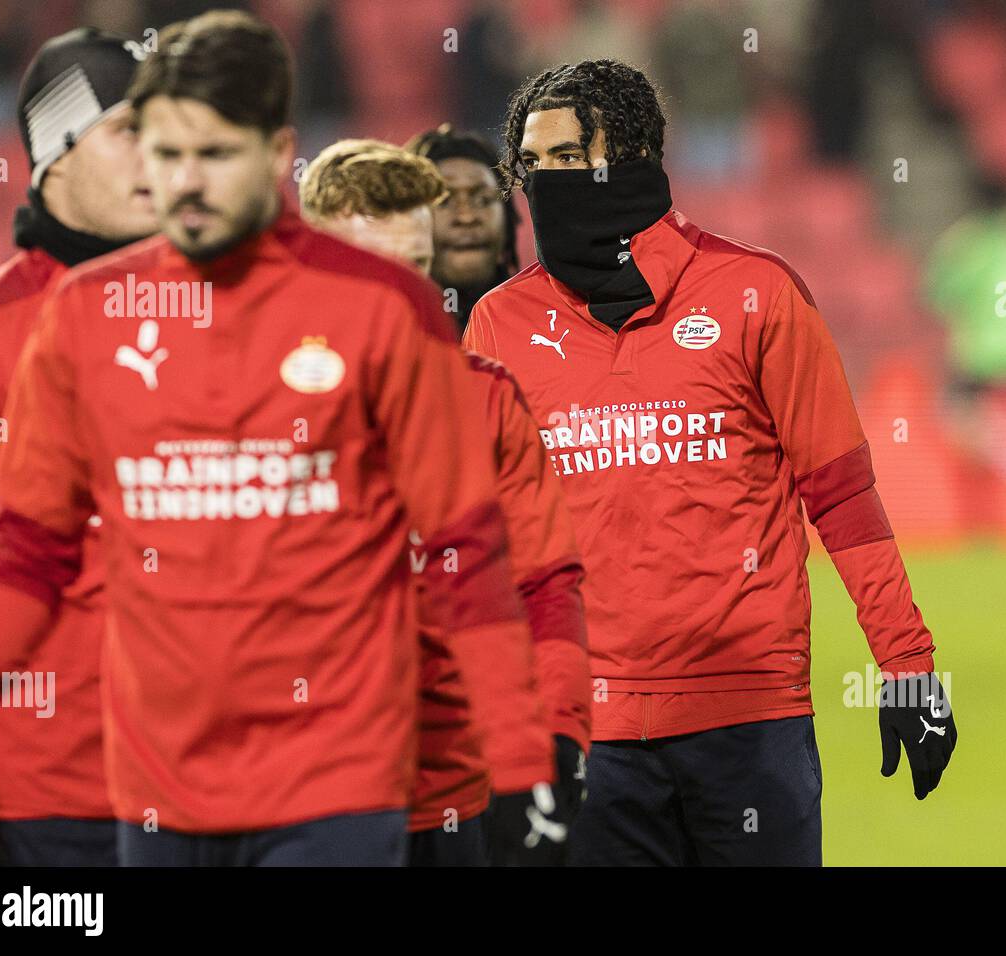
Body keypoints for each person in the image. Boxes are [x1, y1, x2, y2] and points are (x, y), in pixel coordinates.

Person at [0, 10, 554, 867]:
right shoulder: (82, 318)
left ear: (277, 157)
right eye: (164, 154)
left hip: (334, 785)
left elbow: (463, 546)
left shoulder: (382, 306)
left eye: (215, 154)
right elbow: (24, 551)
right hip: (153, 796)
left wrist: (521, 756)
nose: (185, 183)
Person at [464, 60, 959, 866]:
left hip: (750, 719)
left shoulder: (755, 292)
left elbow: (841, 494)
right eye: (531, 165)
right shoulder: (498, 323)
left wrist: (906, 665)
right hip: (589, 731)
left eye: (564, 158)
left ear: (625, 155)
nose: (541, 183)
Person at [300, 138, 591, 866]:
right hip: (299, 797)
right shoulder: (242, 405)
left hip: (456, 798)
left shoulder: (485, 399)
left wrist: (555, 737)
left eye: (421, 271)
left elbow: (545, 581)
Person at [0, 28, 157, 867]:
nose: (163, 157)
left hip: (217, 791)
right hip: (45, 801)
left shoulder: (234, 317)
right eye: (129, 132)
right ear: (55, 157)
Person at [406, 124, 520, 335]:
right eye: (443, 201)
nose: (466, 217)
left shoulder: (544, 321)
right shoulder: (379, 331)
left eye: (483, 199)